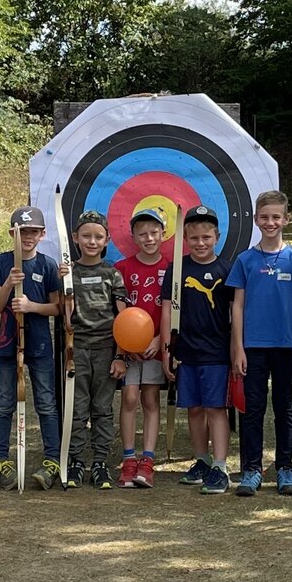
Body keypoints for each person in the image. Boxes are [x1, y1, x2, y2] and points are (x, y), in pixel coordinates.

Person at [226, 189, 292, 498]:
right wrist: (237, 347)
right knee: (252, 409)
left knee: (284, 407)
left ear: (286, 220)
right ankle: (251, 469)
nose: (270, 222)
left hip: (284, 345)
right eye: (264, 217)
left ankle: (284, 468)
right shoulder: (245, 260)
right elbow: (237, 306)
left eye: (276, 217)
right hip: (252, 346)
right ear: (256, 219)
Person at [0, 205, 63, 491]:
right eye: (22, 232)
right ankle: (0, 460)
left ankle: (52, 460)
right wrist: (9, 283)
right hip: (8, 344)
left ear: (42, 234)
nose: (27, 237)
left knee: (45, 402)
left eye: (33, 232)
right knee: (5, 401)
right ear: (12, 234)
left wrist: (32, 306)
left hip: (40, 344)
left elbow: (57, 308)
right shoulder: (2, 262)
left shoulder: (47, 265)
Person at [167, 204, 236, 494]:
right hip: (186, 353)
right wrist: (168, 350)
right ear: (185, 238)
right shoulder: (177, 268)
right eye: (194, 238)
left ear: (217, 237)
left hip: (217, 353)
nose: (200, 243)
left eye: (206, 238)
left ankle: (220, 465)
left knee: (215, 408)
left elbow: (236, 313)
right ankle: (202, 460)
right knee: (194, 409)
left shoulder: (227, 269)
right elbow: (168, 310)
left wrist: (235, 352)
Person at [62, 208, 128, 490]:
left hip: (105, 351)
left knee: (102, 409)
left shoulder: (112, 275)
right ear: (75, 238)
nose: (92, 241)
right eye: (86, 236)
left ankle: (100, 462)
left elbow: (124, 318)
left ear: (107, 240)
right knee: (76, 410)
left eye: (98, 237)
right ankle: (76, 461)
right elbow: (62, 313)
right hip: (76, 351)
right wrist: (63, 284)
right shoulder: (68, 274)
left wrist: (121, 355)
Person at [114, 209, 168, 488]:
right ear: (133, 237)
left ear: (163, 234)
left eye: (153, 232)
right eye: (142, 233)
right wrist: (126, 345)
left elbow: (174, 310)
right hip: (129, 350)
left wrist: (161, 340)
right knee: (130, 399)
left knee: (150, 400)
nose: (148, 238)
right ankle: (128, 458)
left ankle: (147, 461)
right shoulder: (122, 269)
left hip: (156, 348)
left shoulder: (171, 268)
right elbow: (119, 312)